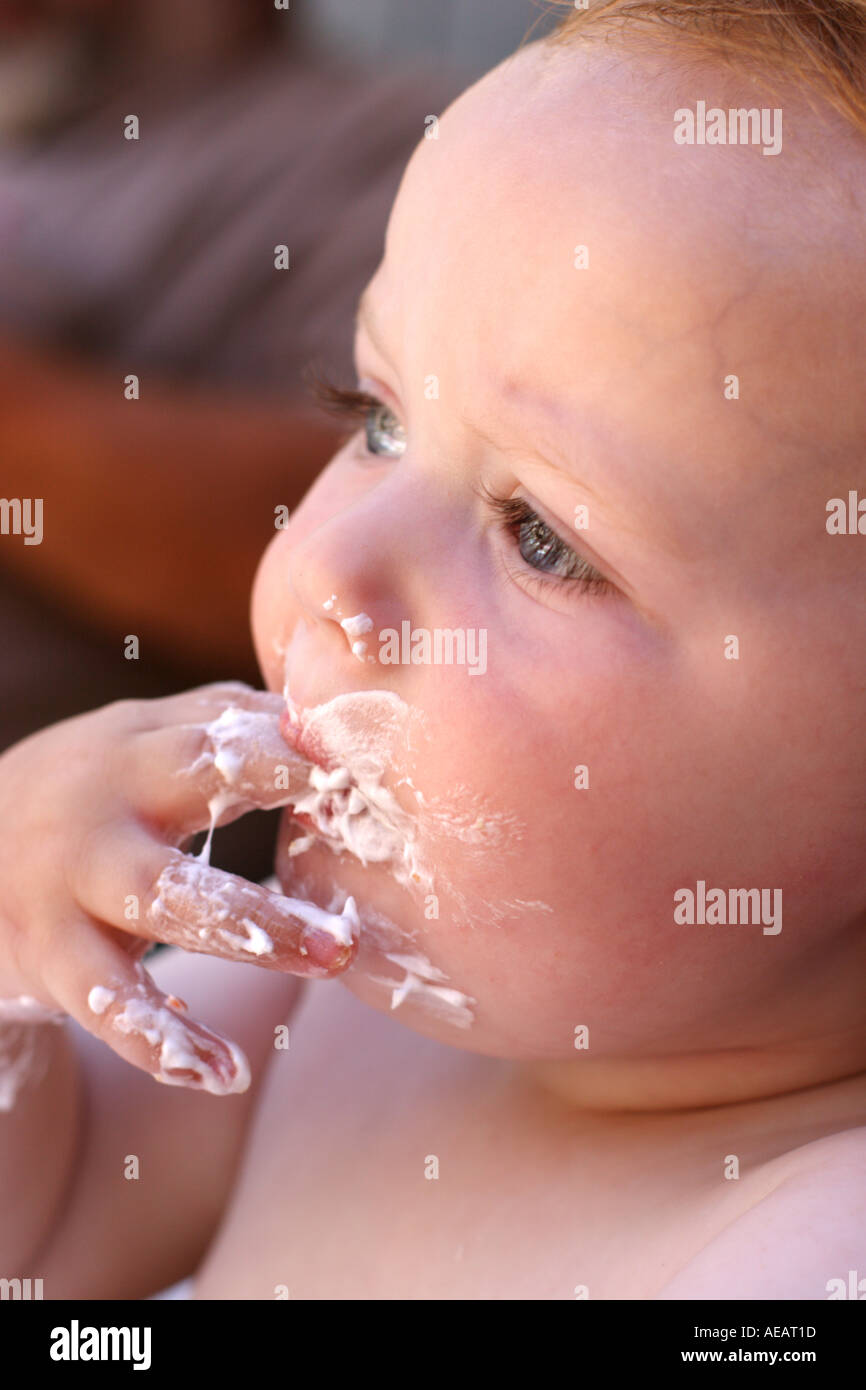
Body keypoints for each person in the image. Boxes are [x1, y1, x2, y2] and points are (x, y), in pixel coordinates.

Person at [1, 0, 864, 1300]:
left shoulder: (804, 1253)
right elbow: (50, 1241)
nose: (328, 567)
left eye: (545, 539)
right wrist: (19, 971)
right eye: (377, 416)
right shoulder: (326, 1000)